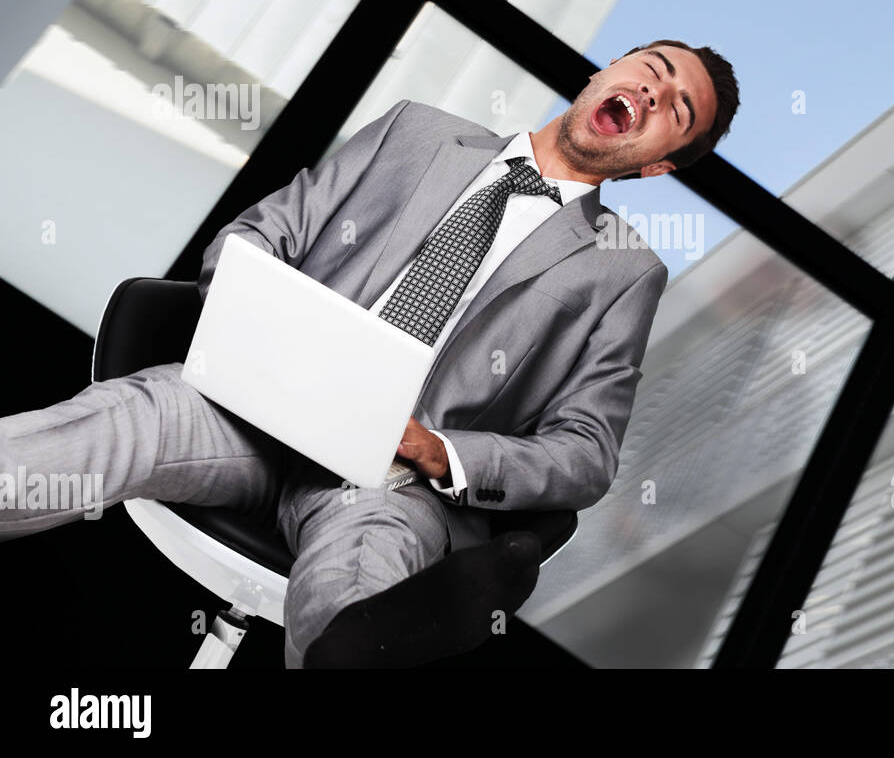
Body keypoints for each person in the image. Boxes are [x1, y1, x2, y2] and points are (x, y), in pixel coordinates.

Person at [0, 39, 739, 668]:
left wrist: (436, 450)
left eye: (676, 107)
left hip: (386, 482)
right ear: (604, 73)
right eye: (653, 66)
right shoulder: (414, 132)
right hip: (252, 412)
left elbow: (585, 455)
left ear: (658, 166)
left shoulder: (623, 270)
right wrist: (266, 329)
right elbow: (258, 236)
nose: (652, 90)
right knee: (134, 417)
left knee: (361, 583)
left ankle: (393, 631)